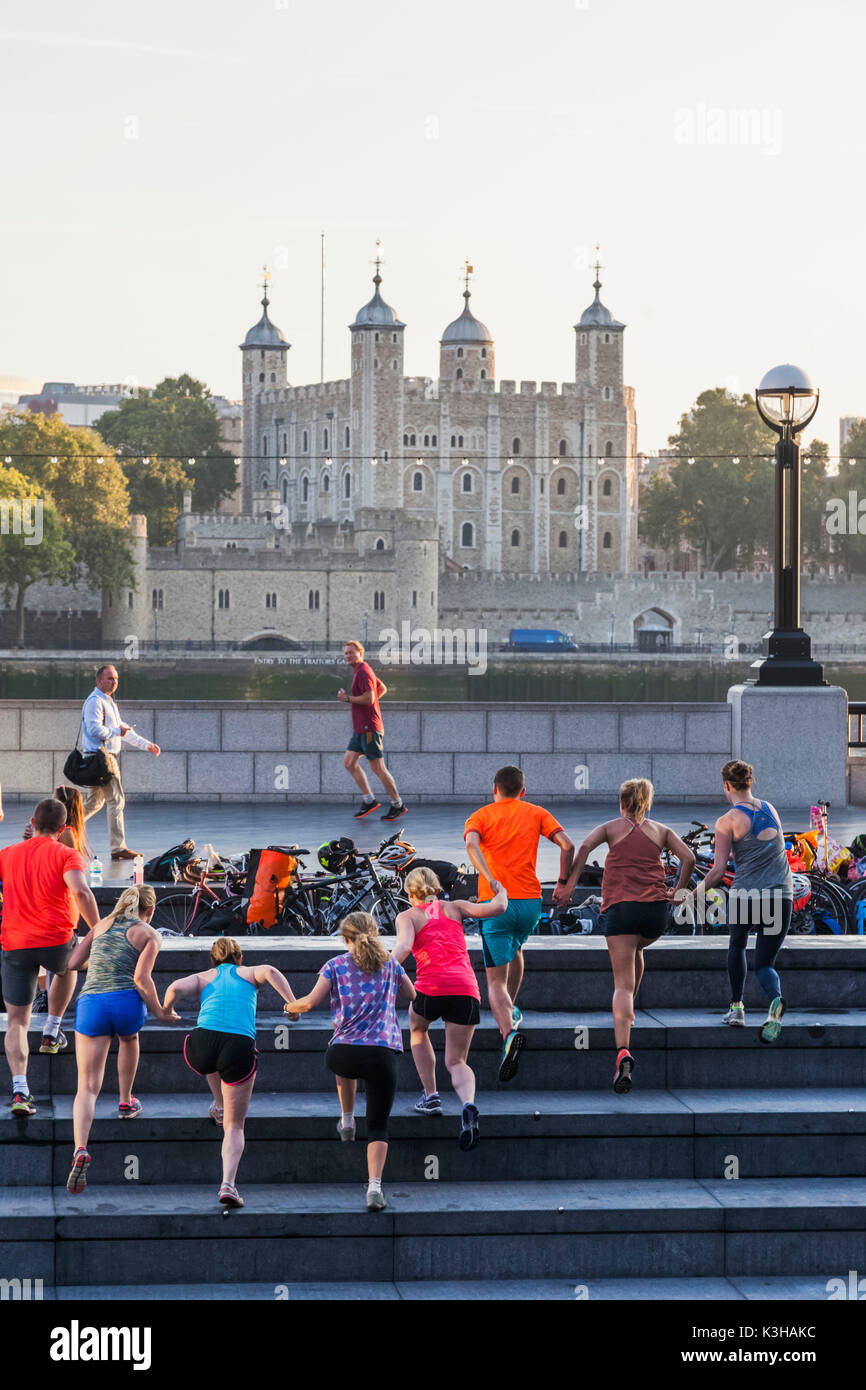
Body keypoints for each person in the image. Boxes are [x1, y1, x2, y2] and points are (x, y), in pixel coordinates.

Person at [555, 779, 696, 1093]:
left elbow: (584, 847)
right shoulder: (661, 831)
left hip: (622, 910)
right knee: (637, 954)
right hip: (656, 915)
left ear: (622, 803)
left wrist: (568, 885)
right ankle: (628, 1012)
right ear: (646, 804)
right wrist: (681, 891)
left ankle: (623, 1051)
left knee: (621, 983)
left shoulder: (611, 828)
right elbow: (689, 858)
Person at [283, 912, 415, 1211]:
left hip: (342, 1053)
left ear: (345, 938)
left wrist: (289, 1007)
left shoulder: (335, 965)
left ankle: (346, 1118)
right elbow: (413, 995)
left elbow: (309, 1003)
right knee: (379, 1124)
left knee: (344, 1057)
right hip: (382, 1052)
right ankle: (374, 1187)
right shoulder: (391, 964)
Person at [164, 937, 297, 1208]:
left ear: (213, 960)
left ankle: (219, 1102)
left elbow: (175, 987)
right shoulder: (247, 972)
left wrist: (167, 1011)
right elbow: (271, 971)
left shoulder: (205, 976)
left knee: (210, 1054)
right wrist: (291, 1005)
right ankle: (228, 1184)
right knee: (235, 1126)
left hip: (201, 1048)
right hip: (238, 1046)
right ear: (239, 958)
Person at [64, 886, 177, 1195]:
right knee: (129, 1040)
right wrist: (161, 1011)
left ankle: (80, 1149)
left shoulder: (100, 925)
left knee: (86, 1085)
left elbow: (73, 963)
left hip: (93, 1004)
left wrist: (101, 962)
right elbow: (142, 979)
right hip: (126, 1002)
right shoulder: (149, 933)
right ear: (149, 911)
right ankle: (126, 1101)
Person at [464, 766, 574, 1083]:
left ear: (494, 788)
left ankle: (509, 1033)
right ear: (522, 791)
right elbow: (567, 845)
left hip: (496, 904)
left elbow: (472, 845)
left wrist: (490, 879)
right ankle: (510, 1008)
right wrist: (564, 883)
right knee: (518, 947)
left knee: (495, 982)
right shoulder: (536, 812)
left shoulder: (480, 816)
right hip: (530, 904)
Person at [393, 866, 508, 1150]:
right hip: (466, 990)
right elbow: (498, 907)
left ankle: (431, 1096)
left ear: (409, 893)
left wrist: (376, 968)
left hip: (430, 988)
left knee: (418, 1028)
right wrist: (500, 889)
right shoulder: (455, 906)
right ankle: (468, 1103)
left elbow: (404, 948)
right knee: (457, 1062)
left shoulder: (407, 916)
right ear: (437, 889)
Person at [0, 798, 100, 1113]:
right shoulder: (67, 854)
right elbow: (81, 891)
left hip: (15, 942)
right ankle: (52, 1029)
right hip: (56, 939)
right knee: (70, 966)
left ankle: (20, 1091)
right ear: (64, 828)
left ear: (33, 821)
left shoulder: (8, 853)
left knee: (16, 1021)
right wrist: (99, 929)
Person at [697, 760, 793, 1043]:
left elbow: (717, 870)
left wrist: (691, 894)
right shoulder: (770, 808)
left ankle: (736, 1008)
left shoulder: (726, 821)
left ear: (726, 785)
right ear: (751, 783)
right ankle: (775, 1000)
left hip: (746, 895)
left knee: (737, 946)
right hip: (781, 895)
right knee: (765, 964)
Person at [79, 664, 161, 861]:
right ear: (99, 680)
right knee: (116, 801)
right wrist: (117, 732)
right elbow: (94, 730)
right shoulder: (95, 702)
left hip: (102, 757)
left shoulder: (108, 702)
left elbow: (123, 730)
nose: (114, 682)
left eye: (115, 679)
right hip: (102, 758)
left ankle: (61, 827)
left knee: (95, 802)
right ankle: (118, 848)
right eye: (109, 678)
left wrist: (147, 745)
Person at [338, 640, 407, 821]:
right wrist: (372, 703)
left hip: (370, 729)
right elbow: (381, 688)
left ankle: (398, 805)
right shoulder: (361, 670)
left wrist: (347, 699)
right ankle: (369, 800)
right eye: (346, 653)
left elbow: (369, 698)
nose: (348, 656)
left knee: (378, 769)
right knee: (349, 763)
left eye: (351, 652)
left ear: (360, 653)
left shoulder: (363, 672)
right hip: (361, 728)